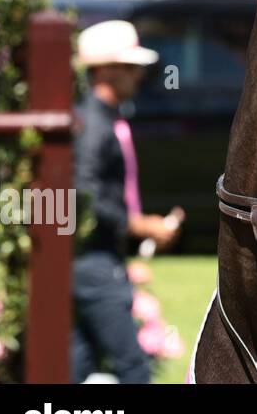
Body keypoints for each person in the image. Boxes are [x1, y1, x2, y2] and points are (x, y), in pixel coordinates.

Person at [71, 20, 182, 383]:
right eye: (131, 67)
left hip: (93, 259)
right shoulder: (94, 125)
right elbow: (82, 191)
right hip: (94, 262)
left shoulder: (104, 120)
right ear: (104, 70)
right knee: (133, 366)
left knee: (79, 365)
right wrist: (138, 224)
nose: (139, 76)